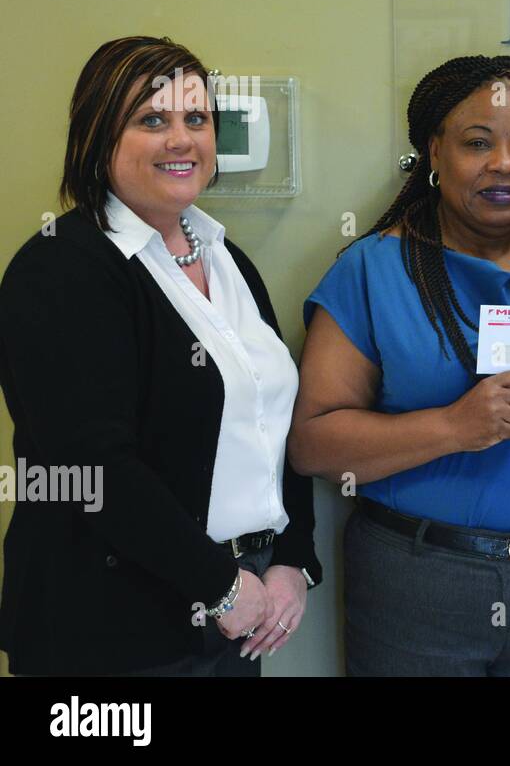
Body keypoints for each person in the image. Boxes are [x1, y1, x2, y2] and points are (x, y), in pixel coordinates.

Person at [0, 36, 321, 676]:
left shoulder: (227, 260)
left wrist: (291, 559)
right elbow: (90, 467)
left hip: (242, 609)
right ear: (97, 136)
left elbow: (270, 418)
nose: (182, 139)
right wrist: (219, 585)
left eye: (195, 119)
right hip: (113, 625)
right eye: (153, 120)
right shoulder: (62, 266)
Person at [290, 55, 510, 677]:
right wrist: (453, 428)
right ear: (434, 153)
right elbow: (311, 446)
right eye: (476, 143)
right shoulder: (372, 269)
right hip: (420, 583)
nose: (505, 164)